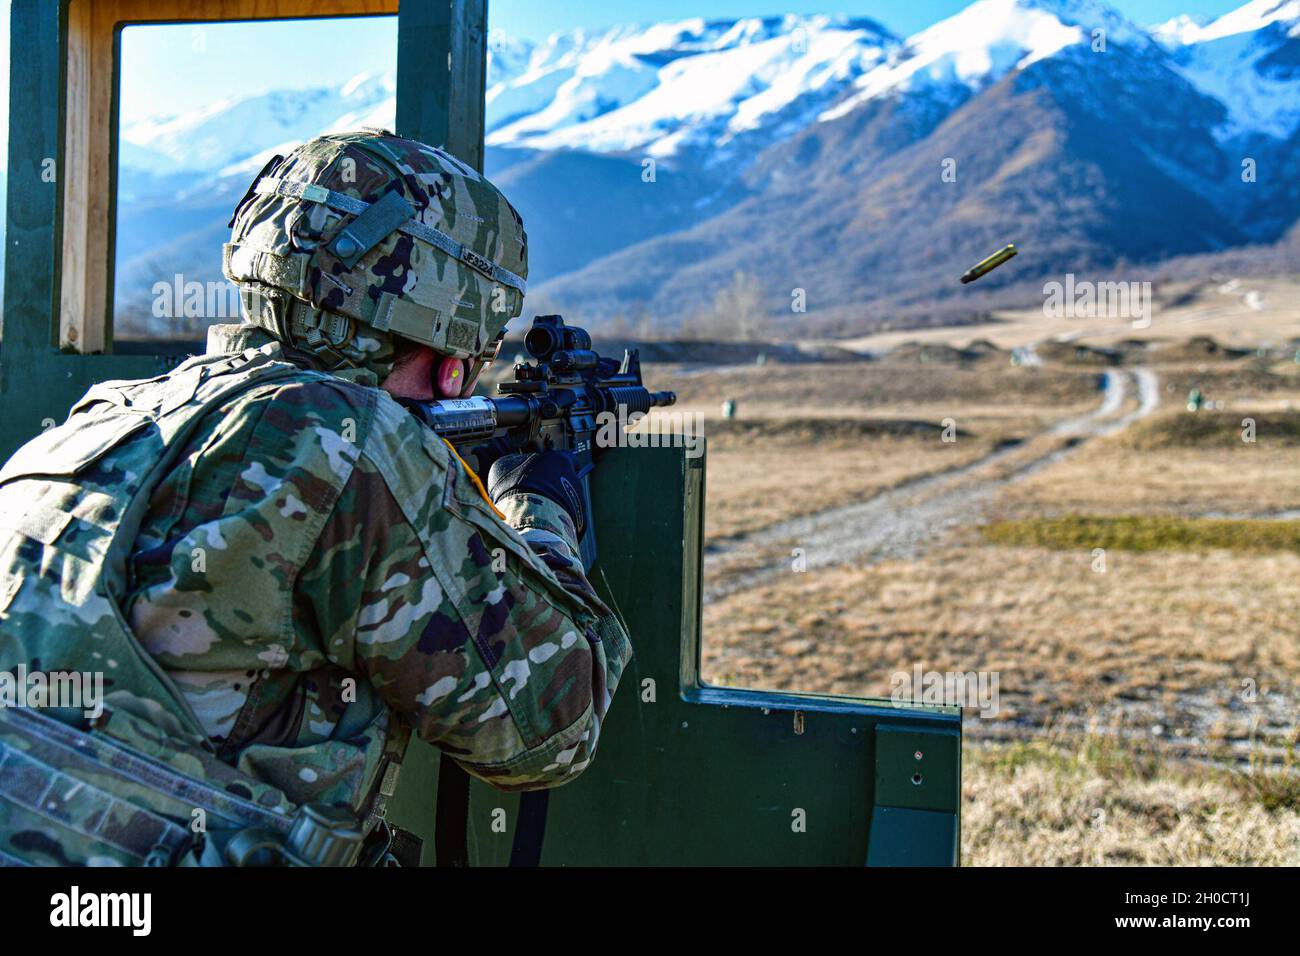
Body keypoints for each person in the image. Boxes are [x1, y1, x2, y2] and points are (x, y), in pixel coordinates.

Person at [0, 130, 632, 866]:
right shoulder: (348, 443)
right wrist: (538, 505)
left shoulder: (109, 414)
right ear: (453, 355)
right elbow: (552, 730)